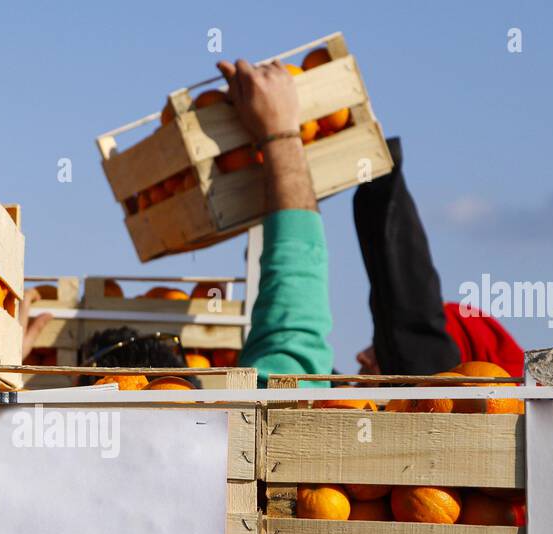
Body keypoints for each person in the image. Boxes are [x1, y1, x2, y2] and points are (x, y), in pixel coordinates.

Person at [27, 59, 334, 387]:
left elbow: (293, 334)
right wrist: (280, 134)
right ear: (190, 390)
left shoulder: (25, 439)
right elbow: (293, 332)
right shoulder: (257, 428)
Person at [351, 136, 524, 377]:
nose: (362, 358)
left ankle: (378, 177)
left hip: (455, 377)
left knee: (404, 310)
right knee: (404, 309)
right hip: (459, 376)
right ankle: (378, 177)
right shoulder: (433, 340)